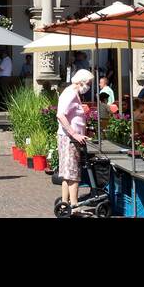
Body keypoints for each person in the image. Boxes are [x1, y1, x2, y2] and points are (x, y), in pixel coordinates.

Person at [56, 68, 93, 213]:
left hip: (69, 138)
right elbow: (61, 115)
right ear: (81, 82)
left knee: (67, 173)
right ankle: (75, 206)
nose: (89, 86)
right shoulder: (71, 93)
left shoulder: (73, 93)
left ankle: (65, 203)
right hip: (69, 139)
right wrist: (74, 133)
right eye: (88, 83)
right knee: (73, 173)